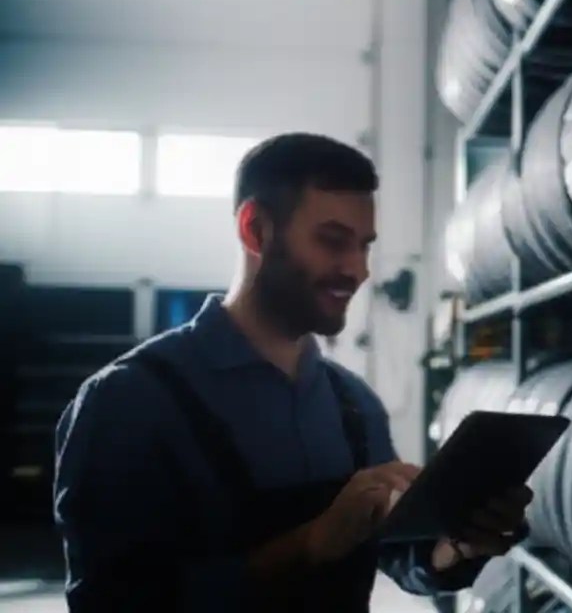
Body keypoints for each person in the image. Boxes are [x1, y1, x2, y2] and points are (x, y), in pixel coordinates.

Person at [53, 132, 531, 611]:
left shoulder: (354, 405)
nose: (358, 270)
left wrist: (459, 546)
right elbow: (107, 602)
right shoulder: (127, 401)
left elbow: (395, 555)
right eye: (332, 241)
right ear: (255, 230)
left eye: (364, 246)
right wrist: (307, 545)